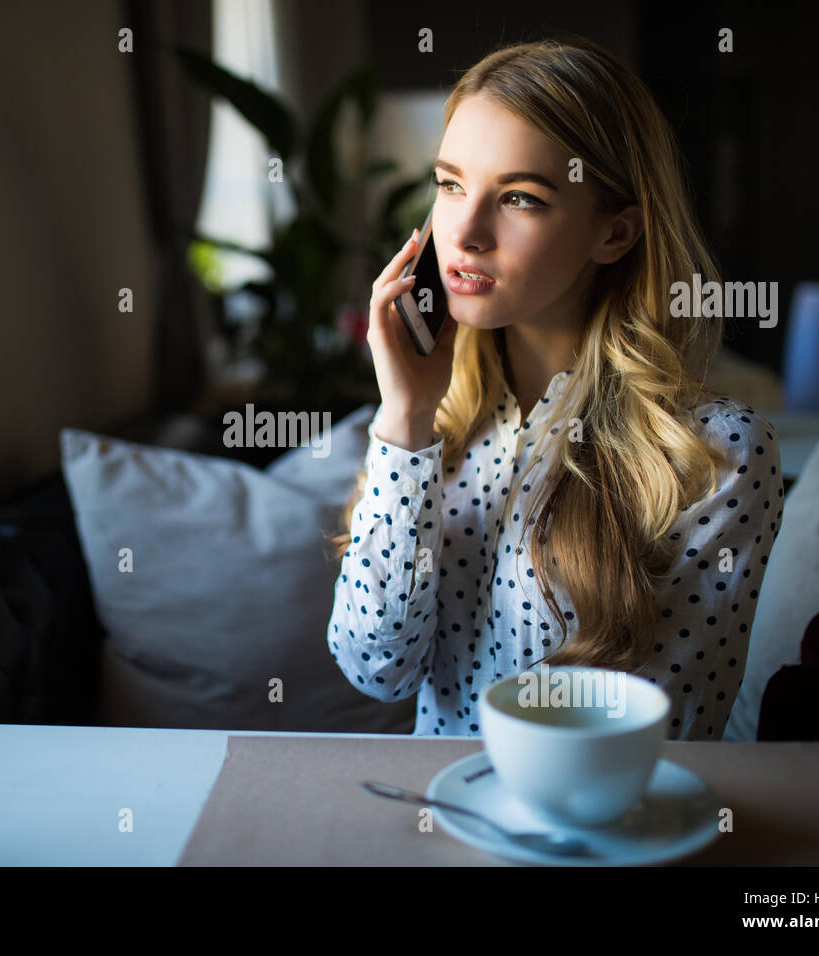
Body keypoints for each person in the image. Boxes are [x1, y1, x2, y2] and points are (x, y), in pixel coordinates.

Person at [326, 36, 784, 740]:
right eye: (450, 185)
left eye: (519, 197)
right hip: (434, 825)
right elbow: (375, 667)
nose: (466, 234)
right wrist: (405, 419)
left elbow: (671, 738)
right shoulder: (428, 423)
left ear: (615, 232)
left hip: (592, 840)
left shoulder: (714, 454)